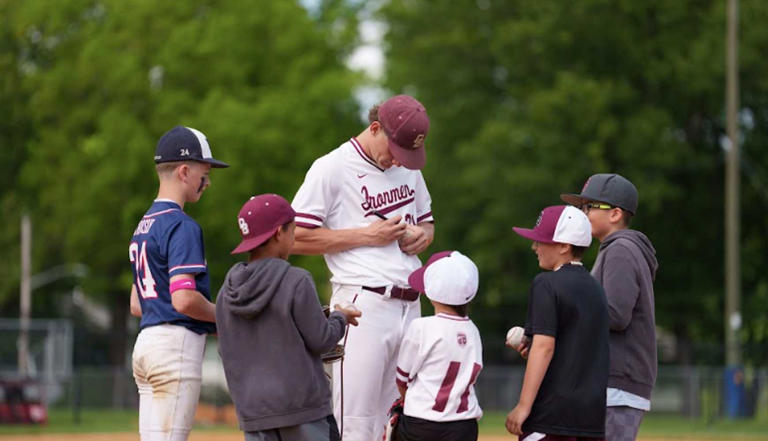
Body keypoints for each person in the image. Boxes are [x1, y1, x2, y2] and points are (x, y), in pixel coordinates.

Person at [290, 94, 435, 441]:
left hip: (410, 304)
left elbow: (429, 224)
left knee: (398, 420)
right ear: (374, 128)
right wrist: (366, 235)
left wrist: (422, 237)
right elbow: (292, 237)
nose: (399, 160)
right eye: (396, 150)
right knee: (354, 421)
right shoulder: (331, 168)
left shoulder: (407, 169)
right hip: (363, 304)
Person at [215, 194, 362, 441]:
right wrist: (339, 317)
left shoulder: (226, 293)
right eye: (292, 231)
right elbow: (322, 339)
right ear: (278, 234)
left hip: (254, 413)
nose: (294, 238)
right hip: (303, 410)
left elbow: (226, 350)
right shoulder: (296, 280)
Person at [128, 125, 228, 441]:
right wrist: (226, 316)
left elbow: (136, 304)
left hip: (145, 345)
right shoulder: (182, 226)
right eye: (204, 172)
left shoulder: (144, 224)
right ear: (184, 171)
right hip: (174, 347)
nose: (208, 181)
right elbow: (184, 300)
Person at [561, 174, 658, 441]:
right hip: (615, 382)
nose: (582, 213)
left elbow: (615, 314)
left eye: (589, 206)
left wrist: (563, 319)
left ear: (615, 214)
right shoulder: (615, 249)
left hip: (619, 381)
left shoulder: (621, 250)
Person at [507, 205, 609, 440]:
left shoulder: (546, 283)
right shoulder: (596, 288)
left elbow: (544, 346)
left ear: (564, 246)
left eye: (541, 240)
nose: (535, 247)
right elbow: (579, 349)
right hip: (591, 418)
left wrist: (523, 406)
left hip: (551, 415)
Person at [394, 250, 483, 441]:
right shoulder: (473, 331)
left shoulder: (421, 326)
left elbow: (402, 380)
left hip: (422, 422)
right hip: (464, 425)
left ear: (432, 292)